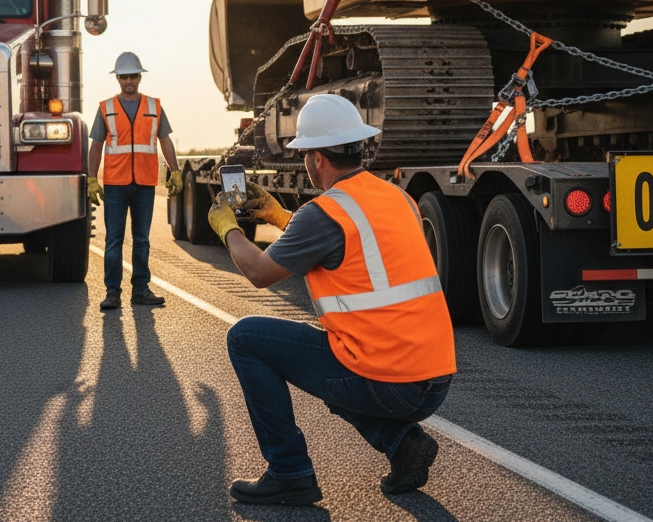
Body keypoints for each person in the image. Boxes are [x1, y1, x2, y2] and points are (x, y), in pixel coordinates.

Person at [206, 94, 456, 505]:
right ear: (357, 147)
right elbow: (347, 247)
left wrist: (227, 228)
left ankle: (289, 472)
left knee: (246, 338)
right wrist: (278, 216)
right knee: (334, 355)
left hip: (389, 381)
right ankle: (401, 443)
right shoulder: (397, 198)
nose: (304, 161)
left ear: (318, 158)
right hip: (434, 378)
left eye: (304, 153)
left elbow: (260, 273)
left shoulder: (323, 213)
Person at [88, 51, 184, 310]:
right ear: (117, 78)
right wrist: (91, 179)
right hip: (116, 184)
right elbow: (96, 145)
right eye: (124, 77)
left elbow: (164, 140)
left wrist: (175, 171)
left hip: (144, 183)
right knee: (114, 239)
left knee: (142, 238)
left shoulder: (154, 106)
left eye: (132, 76)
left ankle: (140, 290)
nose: (128, 81)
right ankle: (112, 292)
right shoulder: (105, 108)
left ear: (139, 77)